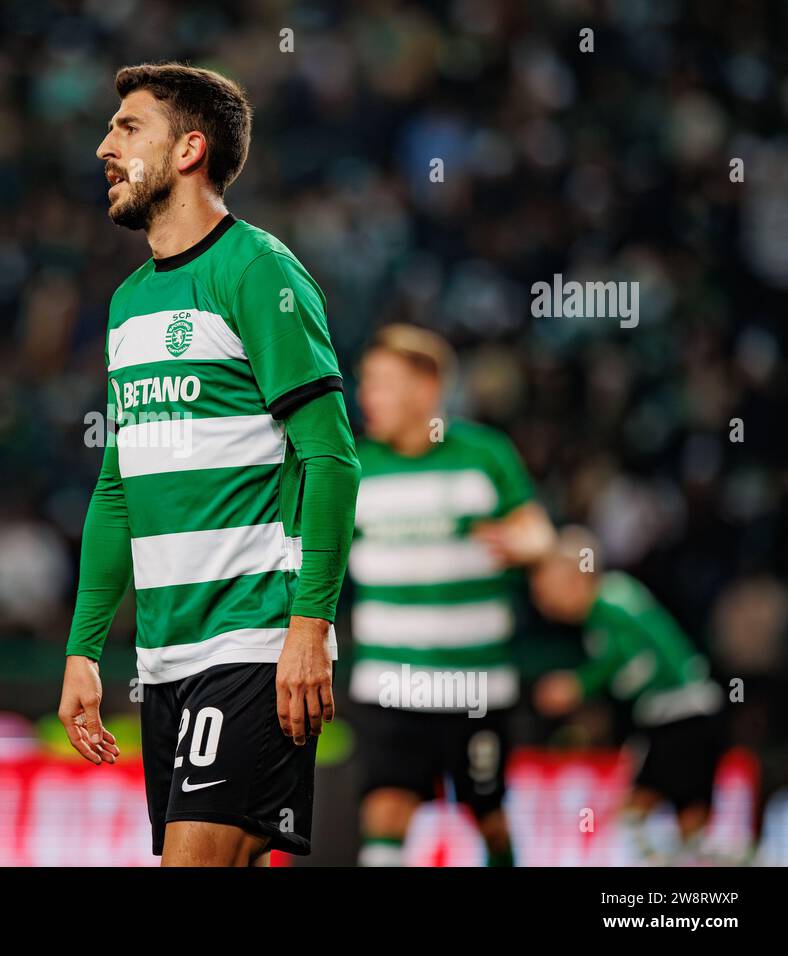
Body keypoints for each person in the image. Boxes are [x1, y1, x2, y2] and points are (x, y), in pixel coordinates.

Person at [57, 63, 361, 866]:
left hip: (254, 642)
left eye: (127, 129)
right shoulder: (126, 307)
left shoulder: (258, 270)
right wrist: (84, 649)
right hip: (164, 657)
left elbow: (331, 459)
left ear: (190, 149)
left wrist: (308, 627)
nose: (104, 147)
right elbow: (119, 489)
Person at [347, 324, 554, 866]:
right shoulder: (354, 467)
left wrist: (523, 544)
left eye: (382, 383)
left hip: (475, 685)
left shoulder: (484, 454)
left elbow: (539, 532)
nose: (368, 397)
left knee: (489, 817)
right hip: (388, 683)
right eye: (367, 383)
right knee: (386, 811)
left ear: (427, 388)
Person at [531, 527, 727, 864]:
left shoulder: (610, 602)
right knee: (679, 807)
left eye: (547, 589)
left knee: (643, 804)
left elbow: (625, 659)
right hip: (679, 714)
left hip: (679, 715)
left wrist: (578, 685)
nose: (544, 603)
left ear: (574, 578)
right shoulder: (611, 606)